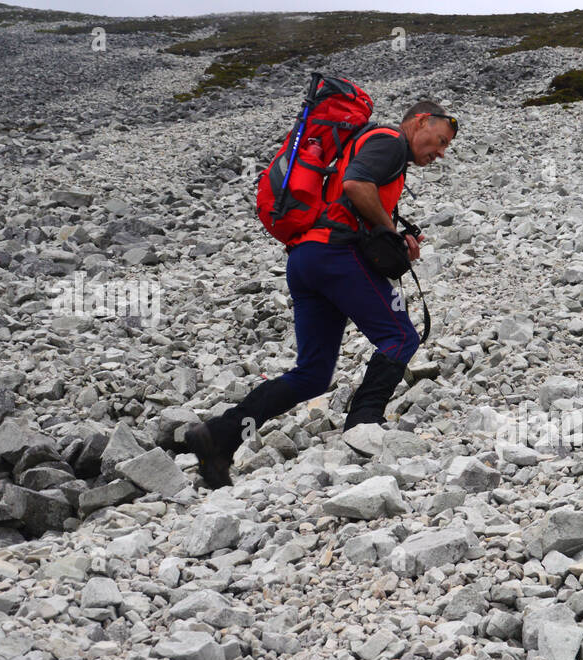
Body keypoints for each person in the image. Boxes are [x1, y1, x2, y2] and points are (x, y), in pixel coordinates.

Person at [184, 102, 458, 489]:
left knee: (312, 374)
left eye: (446, 148)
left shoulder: (365, 145)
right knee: (400, 336)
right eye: (441, 140)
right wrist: (393, 236)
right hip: (333, 256)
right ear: (419, 121)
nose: (441, 152)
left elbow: (352, 201)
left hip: (306, 260)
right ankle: (364, 425)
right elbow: (356, 186)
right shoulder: (391, 141)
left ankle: (219, 437)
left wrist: (393, 237)